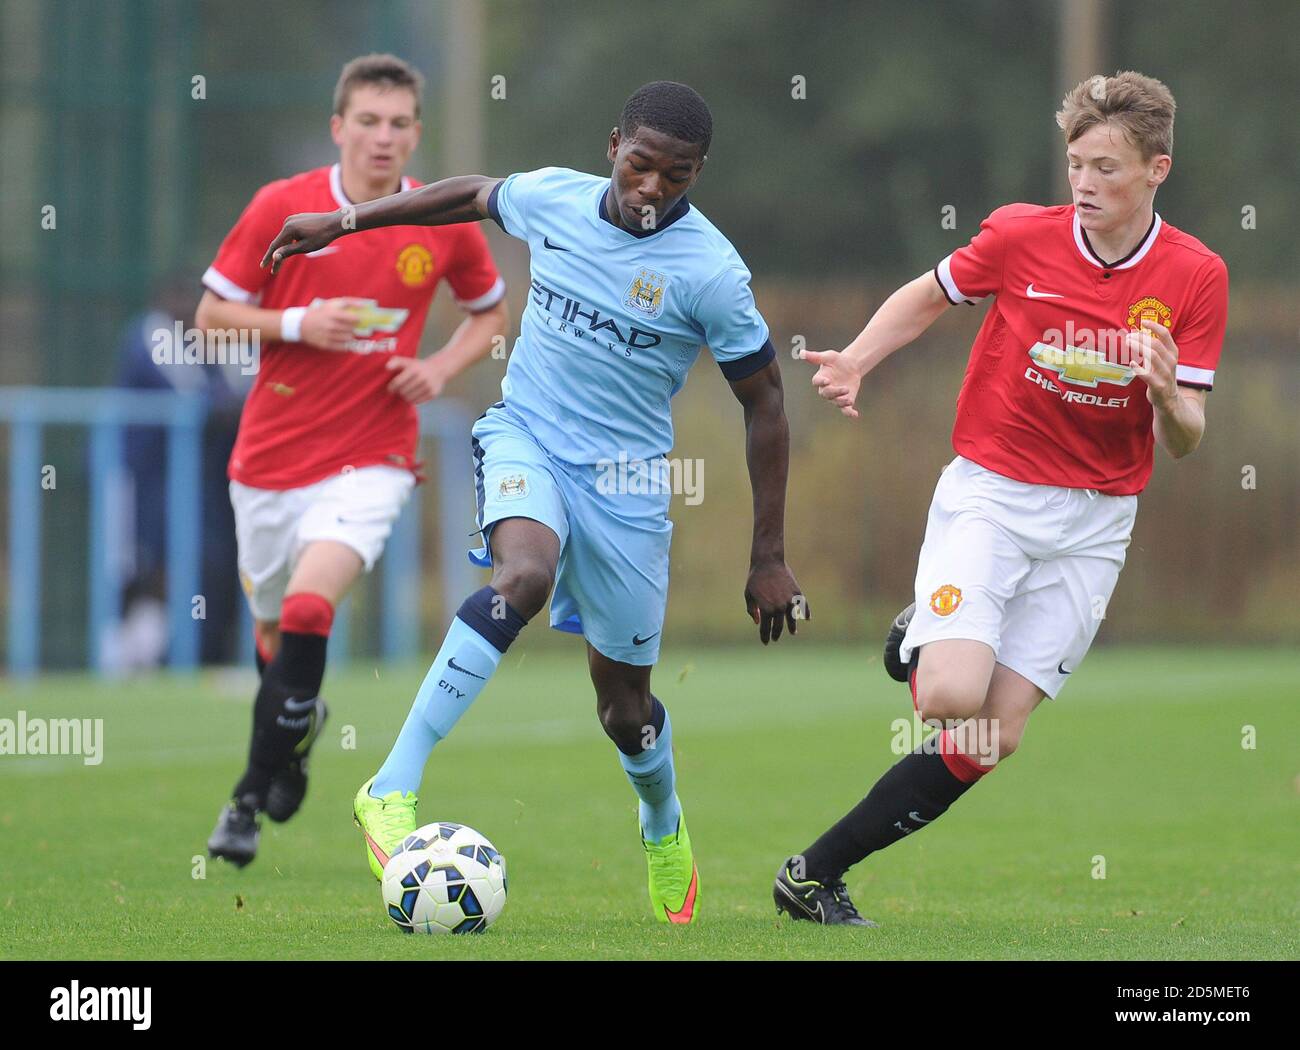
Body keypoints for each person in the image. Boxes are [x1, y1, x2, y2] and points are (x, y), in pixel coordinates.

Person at [261, 81, 808, 923]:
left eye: (677, 175)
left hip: (626, 487)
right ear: (613, 146)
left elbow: (765, 403)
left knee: (625, 711)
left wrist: (768, 555)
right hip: (528, 437)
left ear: (699, 172)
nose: (652, 188)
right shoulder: (554, 197)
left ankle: (661, 820)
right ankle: (391, 786)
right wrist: (344, 222)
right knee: (524, 574)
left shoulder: (711, 273)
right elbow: (469, 196)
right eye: (639, 165)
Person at [778, 71, 1228, 925]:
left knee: (991, 736)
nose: (1084, 183)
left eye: (1106, 168)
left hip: (1096, 524)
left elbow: (1187, 439)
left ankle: (812, 874)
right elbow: (929, 293)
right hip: (994, 494)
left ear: (1157, 170)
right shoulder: (1023, 236)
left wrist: (1170, 395)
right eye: (1076, 164)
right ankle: (922, 636)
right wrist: (857, 359)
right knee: (949, 697)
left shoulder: (1197, 274)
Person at [202, 54, 510, 867]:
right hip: (268, 458)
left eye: (399, 123)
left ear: (416, 134)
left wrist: (439, 369)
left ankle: (245, 800)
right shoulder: (284, 205)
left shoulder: (438, 217)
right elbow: (210, 316)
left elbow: (488, 312)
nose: (383, 137)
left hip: (374, 455)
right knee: (275, 630)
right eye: (368, 121)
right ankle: (296, 729)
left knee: (310, 608)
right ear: (338, 127)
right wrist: (298, 323)